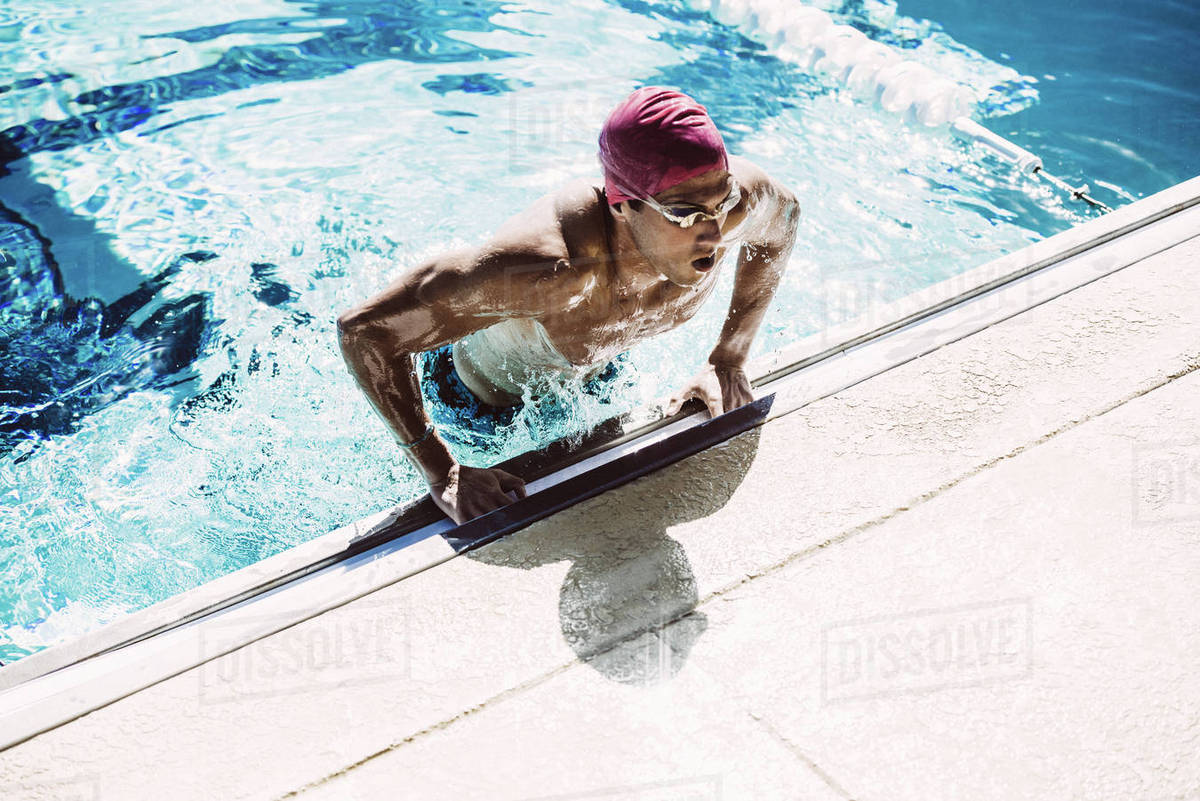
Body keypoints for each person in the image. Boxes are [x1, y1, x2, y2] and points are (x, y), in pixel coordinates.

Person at [338, 86, 799, 524]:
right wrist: (443, 472)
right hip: (473, 410)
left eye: (722, 202)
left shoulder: (734, 208)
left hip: (595, 376)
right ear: (623, 205)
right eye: (684, 214)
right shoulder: (550, 270)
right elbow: (365, 331)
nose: (715, 233)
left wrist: (729, 358)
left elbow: (785, 220)